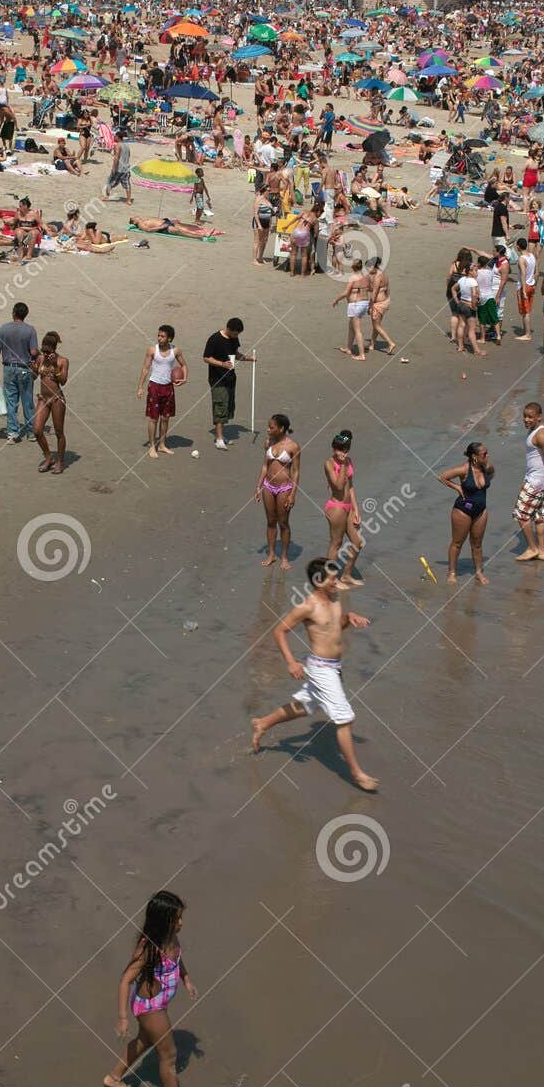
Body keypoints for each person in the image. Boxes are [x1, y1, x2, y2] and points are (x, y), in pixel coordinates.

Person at [251, 558, 378, 792]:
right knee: (345, 718)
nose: (337, 582)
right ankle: (357, 773)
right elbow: (279, 631)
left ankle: (262, 723)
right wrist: (291, 662)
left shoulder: (335, 601)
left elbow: (333, 627)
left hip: (334, 666)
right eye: (332, 578)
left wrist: (349, 618)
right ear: (319, 581)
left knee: (305, 705)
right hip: (321, 668)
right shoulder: (308, 606)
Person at [103, 888, 203, 1087]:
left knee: (143, 1042)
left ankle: (113, 1077)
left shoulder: (172, 938)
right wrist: (123, 1018)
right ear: (163, 921)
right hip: (150, 1007)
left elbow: (177, 959)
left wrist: (186, 980)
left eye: (181, 917)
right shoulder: (149, 948)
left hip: (160, 1003)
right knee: (169, 1055)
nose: (181, 922)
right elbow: (126, 980)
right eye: (177, 918)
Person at [514, 402, 544, 561]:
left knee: (521, 514)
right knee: (539, 515)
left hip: (535, 482)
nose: (526, 419)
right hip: (540, 481)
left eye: (530, 417)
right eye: (525, 416)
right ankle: (541, 551)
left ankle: (532, 548)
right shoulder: (535, 431)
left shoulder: (541, 435)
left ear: (539, 417)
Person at [439, 441, 494, 585]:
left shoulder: (487, 467)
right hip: (463, 511)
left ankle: (478, 573)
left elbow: (491, 474)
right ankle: (452, 572)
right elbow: (443, 477)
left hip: (481, 511)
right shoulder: (464, 469)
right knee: (457, 543)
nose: (487, 455)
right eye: (484, 454)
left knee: (477, 544)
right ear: (474, 456)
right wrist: (457, 487)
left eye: (487, 452)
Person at [255, 412, 300, 570]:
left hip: (284, 488)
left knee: (283, 523)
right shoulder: (268, 442)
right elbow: (265, 466)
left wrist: (293, 494)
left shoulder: (293, 446)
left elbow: (296, 472)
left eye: (271, 427)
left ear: (281, 428)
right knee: (270, 522)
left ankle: (285, 557)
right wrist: (258, 486)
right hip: (268, 486)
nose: (268, 429)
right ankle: (272, 554)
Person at [137, 324, 188, 458]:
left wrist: (184, 378)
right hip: (154, 386)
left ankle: (162, 444)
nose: (159, 338)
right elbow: (145, 368)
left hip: (168, 387)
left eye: (162, 336)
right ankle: (152, 446)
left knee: (165, 418)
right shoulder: (152, 350)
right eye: (158, 335)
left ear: (169, 338)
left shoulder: (175, 351)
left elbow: (183, 365)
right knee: (153, 418)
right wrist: (140, 387)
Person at [0, 302, 38, 443]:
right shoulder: (30, 330)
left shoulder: (4, 329)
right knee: (27, 401)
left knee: (11, 401)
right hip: (24, 368)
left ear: (14, 313)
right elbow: (33, 351)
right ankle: (31, 432)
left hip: (9, 368)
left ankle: (12, 433)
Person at [202, 316, 252, 448]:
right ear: (228, 329)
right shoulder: (215, 339)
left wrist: (249, 359)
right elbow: (206, 358)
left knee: (228, 407)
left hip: (230, 378)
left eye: (238, 334)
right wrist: (222, 364)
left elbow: (235, 354)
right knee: (220, 406)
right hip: (217, 379)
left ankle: (221, 435)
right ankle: (219, 439)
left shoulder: (234, 338)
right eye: (235, 333)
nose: (236, 336)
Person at [323, 429, 362, 585]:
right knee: (336, 543)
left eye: (344, 450)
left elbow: (350, 486)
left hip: (348, 507)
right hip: (336, 507)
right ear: (333, 448)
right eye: (338, 449)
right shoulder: (329, 464)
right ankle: (330, 579)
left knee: (357, 542)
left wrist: (356, 509)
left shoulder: (348, 460)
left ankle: (346, 575)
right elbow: (338, 486)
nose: (341, 453)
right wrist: (343, 464)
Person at [34, 331, 69, 473]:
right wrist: (32, 369)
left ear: (54, 349)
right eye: (43, 351)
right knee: (37, 430)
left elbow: (63, 381)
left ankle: (60, 462)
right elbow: (33, 376)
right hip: (43, 398)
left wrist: (55, 366)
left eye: (48, 352)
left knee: (59, 432)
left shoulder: (63, 361)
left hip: (57, 399)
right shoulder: (40, 359)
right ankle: (48, 457)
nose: (45, 354)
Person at [333, 258, 372, 361]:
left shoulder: (353, 278)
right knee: (351, 326)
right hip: (364, 303)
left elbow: (346, 292)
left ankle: (362, 355)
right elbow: (371, 289)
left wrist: (336, 299)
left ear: (352, 267)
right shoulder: (367, 276)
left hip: (355, 305)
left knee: (357, 330)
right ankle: (348, 348)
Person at [368, 259, 396, 353]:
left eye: (369, 267)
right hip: (385, 301)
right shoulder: (384, 274)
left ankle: (390, 343)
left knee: (376, 325)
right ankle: (372, 344)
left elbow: (374, 294)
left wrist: (370, 306)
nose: (368, 270)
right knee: (376, 324)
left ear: (373, 266)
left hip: (378, 304)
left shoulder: (377, 277)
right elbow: (387, 289)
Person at [102, 131, 133, 203]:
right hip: (126, 168)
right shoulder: (126, 145)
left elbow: (116, 157)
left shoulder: (117, 145)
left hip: (119, 168)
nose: (114, 137)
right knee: (127, 184)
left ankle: (106, 196)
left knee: (109, 182)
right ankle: (129, 200)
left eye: (115, 136)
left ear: (118, 137)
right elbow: (129, 155)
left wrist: (114, 168)